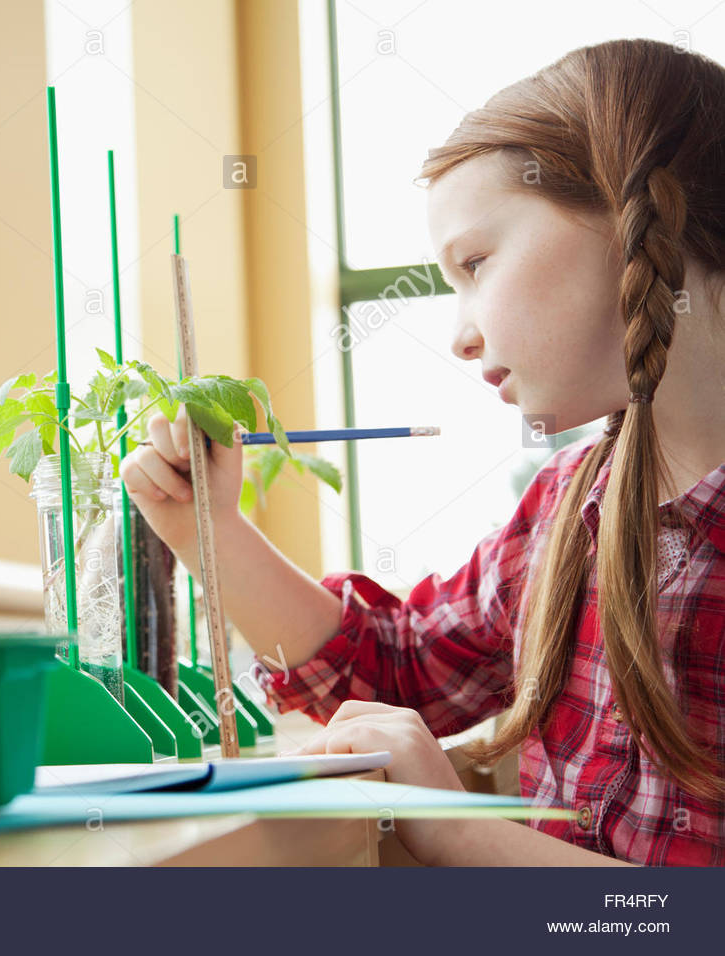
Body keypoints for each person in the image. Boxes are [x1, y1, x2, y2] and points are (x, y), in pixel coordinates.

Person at [120, 38, 725, 866]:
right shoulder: (568, 508)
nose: (462, 335)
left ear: (635, 217)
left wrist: (459, 832)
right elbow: (399, 670)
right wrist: (207, 529)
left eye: (476, 262)